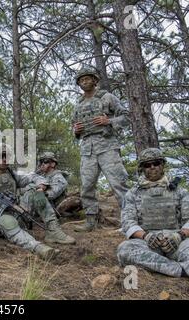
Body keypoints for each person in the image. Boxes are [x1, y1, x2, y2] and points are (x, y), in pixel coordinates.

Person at [117, 148, 189, 300]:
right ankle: (181, 270)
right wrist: (146, 236)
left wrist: (179, 236)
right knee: (124, 251)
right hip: (148, 241)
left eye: (156, 163)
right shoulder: (133, 194)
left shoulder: (179, 191)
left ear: (162, 165)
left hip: (178, 240)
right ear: (142, 168)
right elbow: (128, 222)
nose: (152, 167)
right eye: (147, 165)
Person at [0, 144, 76, 261]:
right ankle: (38, 248)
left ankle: (53, 231)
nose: (5, 159)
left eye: (7, 156)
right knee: (8, 222)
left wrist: (41, 188)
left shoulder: (12, 175)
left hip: (16, 211)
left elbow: (33, 177)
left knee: (35, 192)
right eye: (1, 156)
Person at [71, 67, 129, 232]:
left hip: (107, 146)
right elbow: (73, 126)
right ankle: (91, 221)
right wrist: (76, 131)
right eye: (81, 80)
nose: (84, 82)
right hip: (87, 149)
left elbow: (126, 116)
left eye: (87, 79)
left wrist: (108, 121)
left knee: (118, 183)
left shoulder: (107, 98)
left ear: (95, 80)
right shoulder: (78, 104)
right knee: (87, 186)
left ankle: (130, 221)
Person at [21, 152, 81, 217]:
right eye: (41, 162)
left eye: (45, 161)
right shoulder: (41, 176)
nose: (42, 164)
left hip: (52, 207)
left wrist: (38, 190)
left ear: (53, 164)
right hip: (41, 203)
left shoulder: (58, 177)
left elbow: (52, 194)